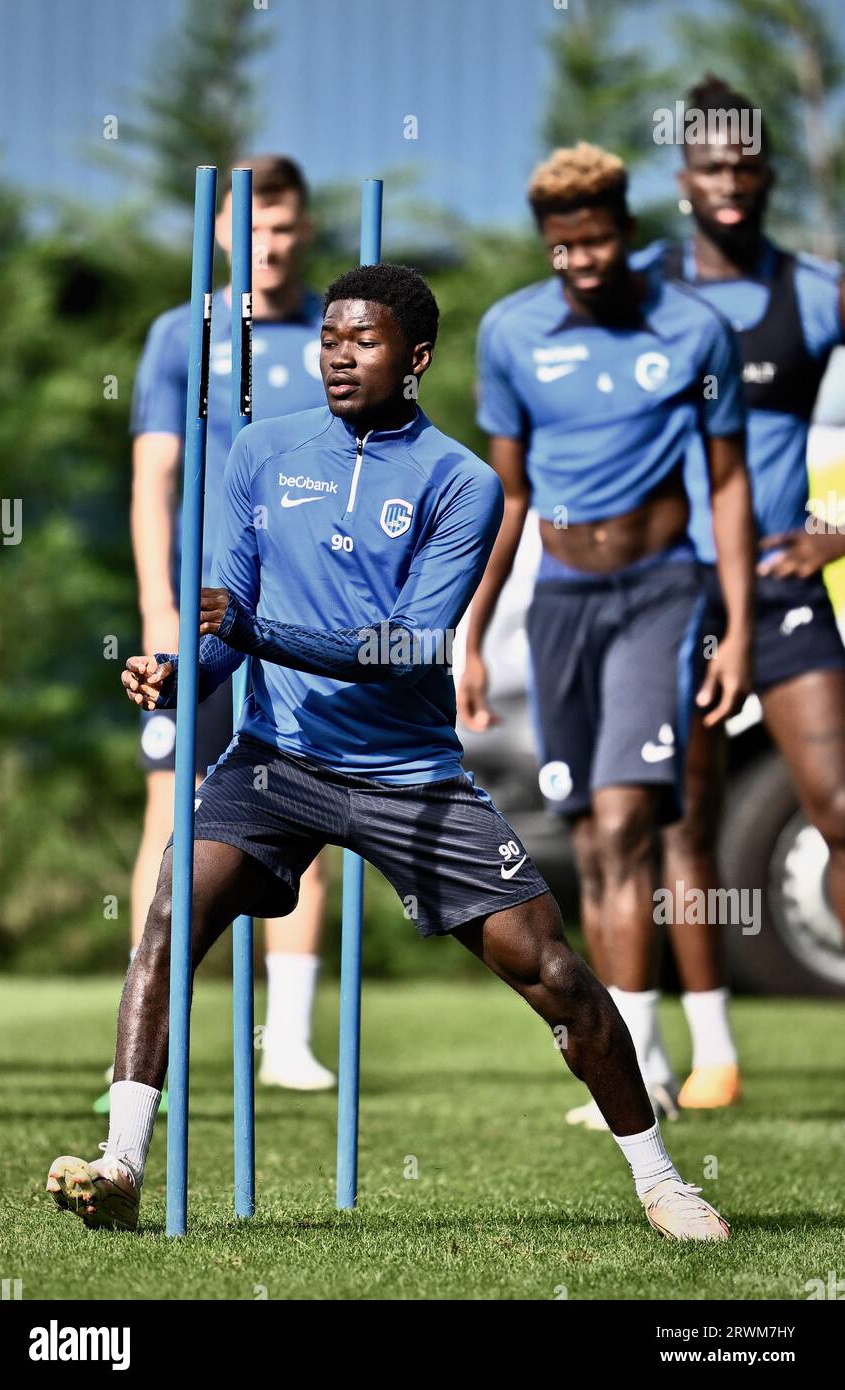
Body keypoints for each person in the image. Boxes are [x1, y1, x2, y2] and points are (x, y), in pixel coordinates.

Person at [47, 263, 728, 1241]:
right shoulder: (259, 451)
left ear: (415, 358)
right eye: (328, 338)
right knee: (168, 906)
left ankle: (661, 1181)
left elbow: (407, 646)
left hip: (408, 776)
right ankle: (118, 1163)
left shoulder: (462, 482)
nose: (336, 356)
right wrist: (176, 668)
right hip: (274, 759)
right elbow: (222, 626)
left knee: (554, 976)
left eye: (361, 341)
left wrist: (254, 626)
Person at [458, 144, 755, 1131]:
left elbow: (724, 481)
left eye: (593, 242)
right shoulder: (508, 332)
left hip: (659, 593)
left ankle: (642, 1077)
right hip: (558, 603)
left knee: (630, 818)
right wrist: (468, 628)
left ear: (625, 231)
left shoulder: (692, 330)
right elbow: (506, 493)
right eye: (559, 247)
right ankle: (644, 1048)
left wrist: (738, 623)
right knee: (588, 835)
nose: (579, 261)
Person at [96, 155, 333, 1113]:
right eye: (257, 228)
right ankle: (142, 1045)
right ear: (228, 229)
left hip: (298, 625)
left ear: (304, 232)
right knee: (175, 808)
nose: (272, 246)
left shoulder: (336, 334)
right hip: (198, 617)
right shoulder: (180, 333)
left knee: (301, 801)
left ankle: (293, 1041)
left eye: (287, 229)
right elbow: (155, 479)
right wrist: (158, 604)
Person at [644, 75, 845, 1109]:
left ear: (764, 172)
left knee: (836, 806)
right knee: (678, 822)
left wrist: (834, 529)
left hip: (776, 588)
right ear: (683, 177)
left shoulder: (813, 292)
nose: (728, 181)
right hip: (670, 589)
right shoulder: (637, 288)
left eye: (743, 163)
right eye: (709, 165)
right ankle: (705, 1054)